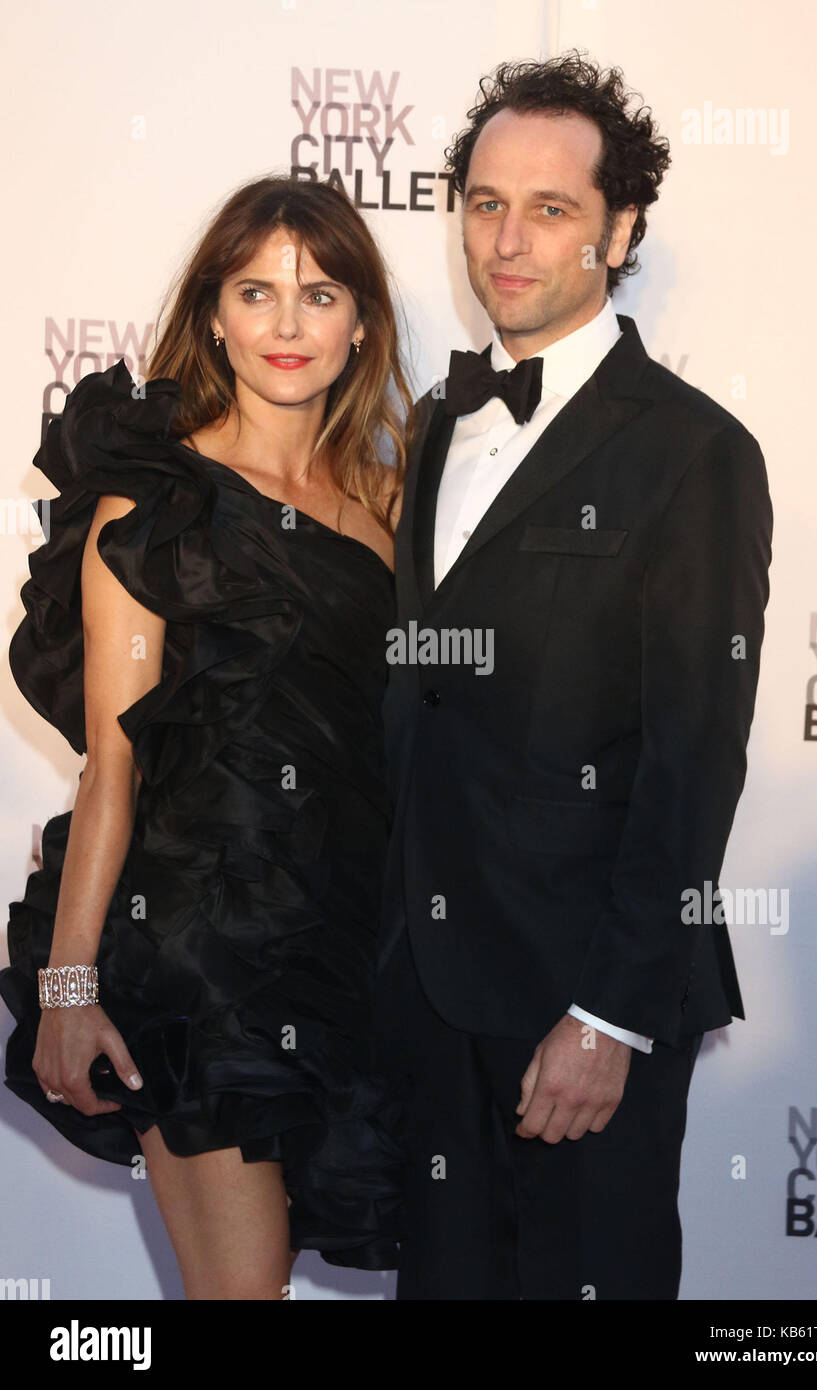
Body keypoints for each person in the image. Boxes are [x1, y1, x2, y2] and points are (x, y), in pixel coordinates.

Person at [375, 52, 773, 1300]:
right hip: (434, 991)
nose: (507, 238)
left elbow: (692, 761)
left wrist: (608, 1014)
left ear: (620, 226)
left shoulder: (694, 451)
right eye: (485, 203)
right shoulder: (438, 426)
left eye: (549, 209)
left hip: (582, 998)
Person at [1, 175, 413, 1299]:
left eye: (319, 294)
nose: (287, 325)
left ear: (361, 321)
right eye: (256, 291)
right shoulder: (154, 501)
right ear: (214, 312)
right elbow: (113, 767)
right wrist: (69, 985)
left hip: (342, 952)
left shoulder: (388, 504)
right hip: (200, 953)